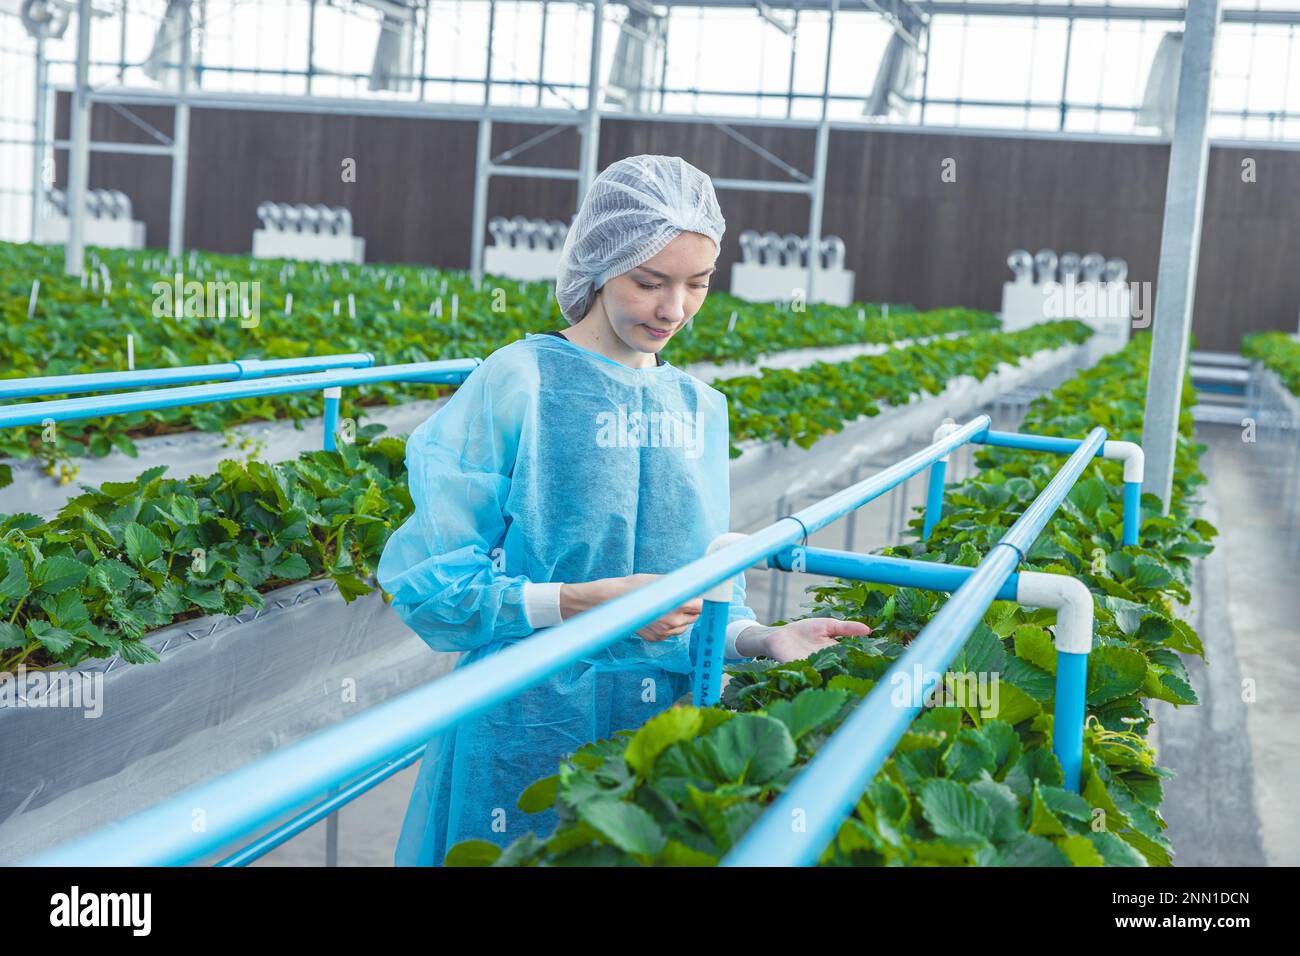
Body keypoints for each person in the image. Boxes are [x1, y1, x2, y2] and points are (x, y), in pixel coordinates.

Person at [377, 154, 870, 867]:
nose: (674, 310)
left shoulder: (698, 408)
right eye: (649, 282)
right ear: (599, 263)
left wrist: (763, 641)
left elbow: (704, 596)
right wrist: (578, 602)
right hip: (524, 725)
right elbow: (434, 589)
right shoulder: (520, 382)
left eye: (696, 284)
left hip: (659, 734)